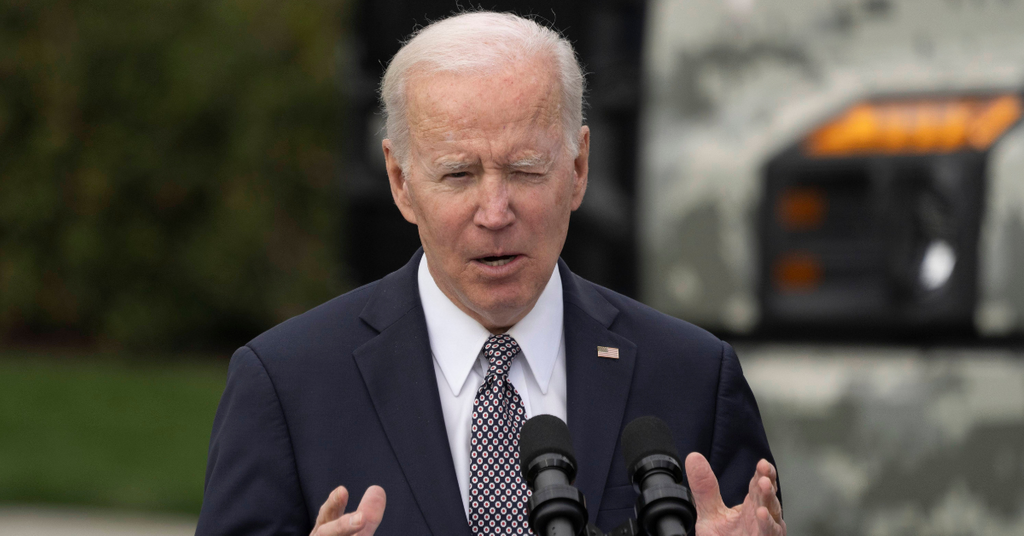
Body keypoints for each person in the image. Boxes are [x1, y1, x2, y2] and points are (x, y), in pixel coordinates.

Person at [196, 11, 784, 536]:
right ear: (400, 182)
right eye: (458, 175)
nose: (496, 213)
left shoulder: (694, 378)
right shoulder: (285, 384)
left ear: (578, 169)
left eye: (526, 171)